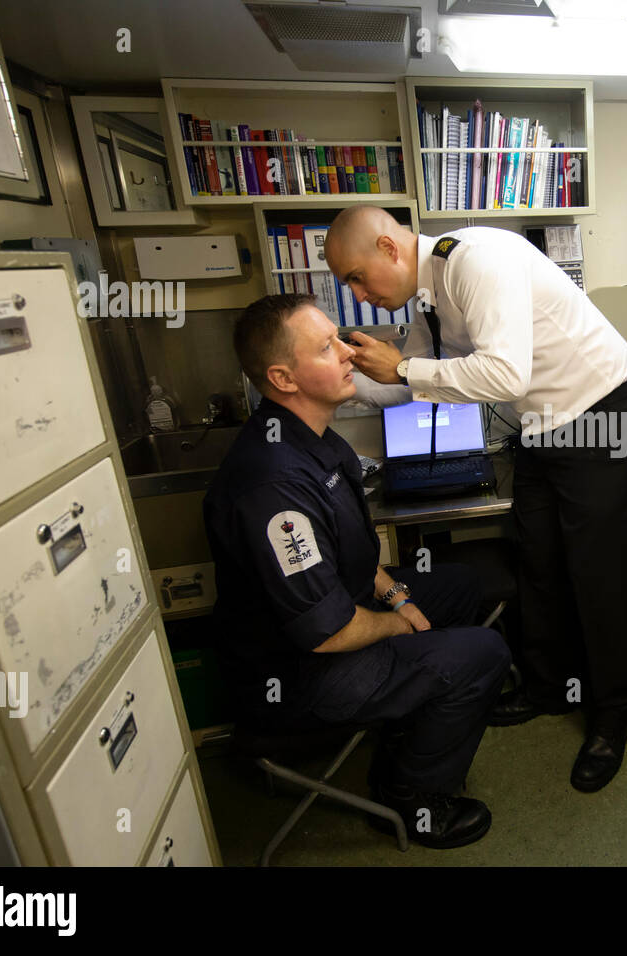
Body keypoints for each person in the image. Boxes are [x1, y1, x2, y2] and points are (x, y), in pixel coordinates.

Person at [324, 206, 627, 793]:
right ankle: (549, 687)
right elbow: (408, 386)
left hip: (600, 416)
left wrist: (401, 365)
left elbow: (503, 377)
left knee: (598, 577)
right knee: (539, 564)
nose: (358, 294)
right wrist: (342, 374)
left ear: (388, 248)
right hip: (543, 429)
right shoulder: (427, 294)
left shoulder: (475, 261)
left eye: (355, 276)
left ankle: (612, 713)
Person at [203, 293, 511, 849]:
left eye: (339, 338)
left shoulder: (318, 440)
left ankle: (410, 717)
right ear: (283, 377)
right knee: (484, 653)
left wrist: (396, 597)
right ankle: (410, 797)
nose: (349, 353)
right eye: (327, 348)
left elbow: (358, 557)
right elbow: (328, 633)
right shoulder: (273, 486)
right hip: (301, 671)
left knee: (462, 585)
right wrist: (402, 623)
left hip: (343, 615)